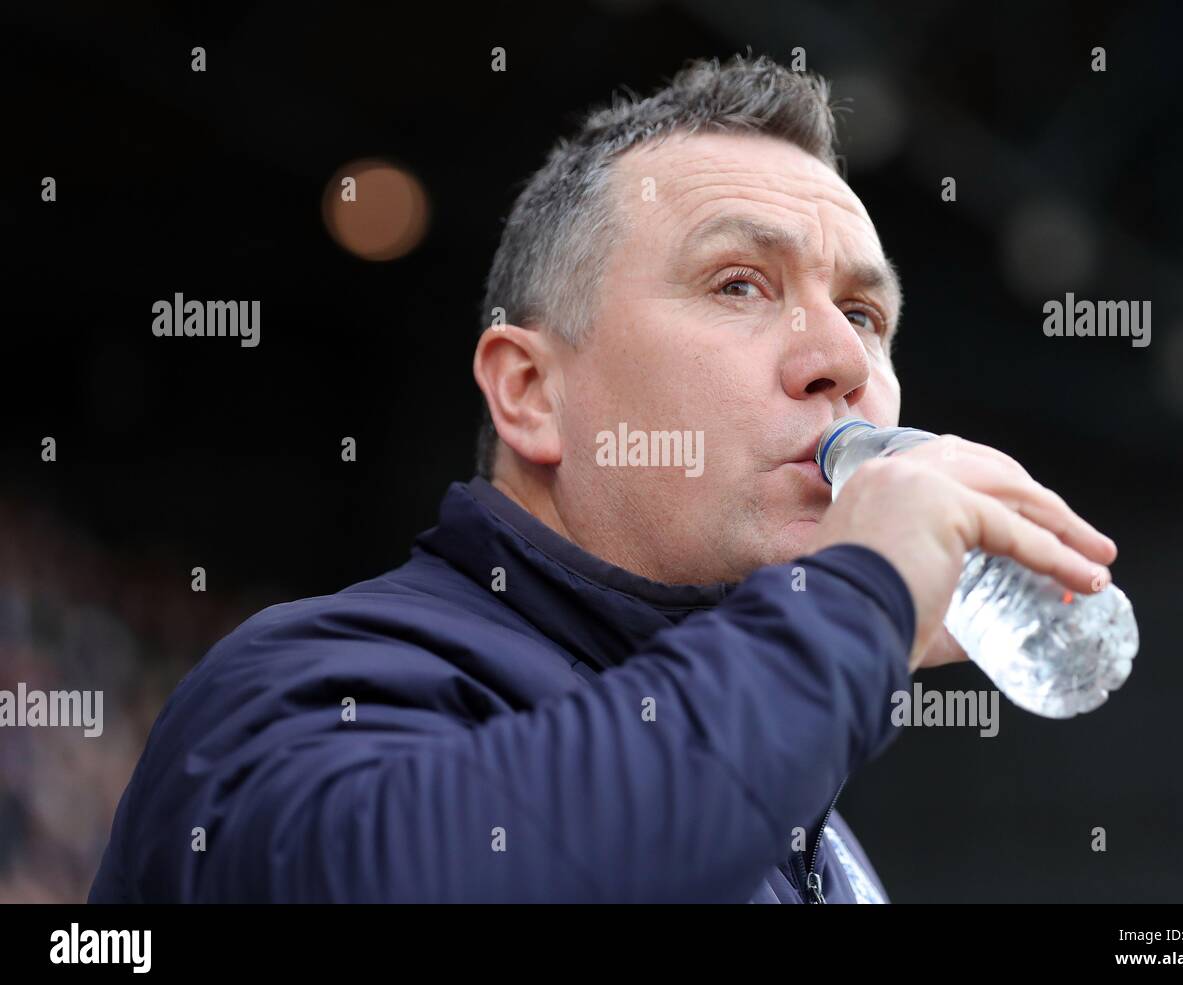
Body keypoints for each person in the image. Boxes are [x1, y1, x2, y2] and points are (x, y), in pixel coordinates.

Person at [89, 53, 1115, 904]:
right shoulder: (303, 688)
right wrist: (854, 603)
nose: (840, 361)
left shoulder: (818, 835)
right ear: (531, 393)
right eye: (737, 284)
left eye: (863, 314)